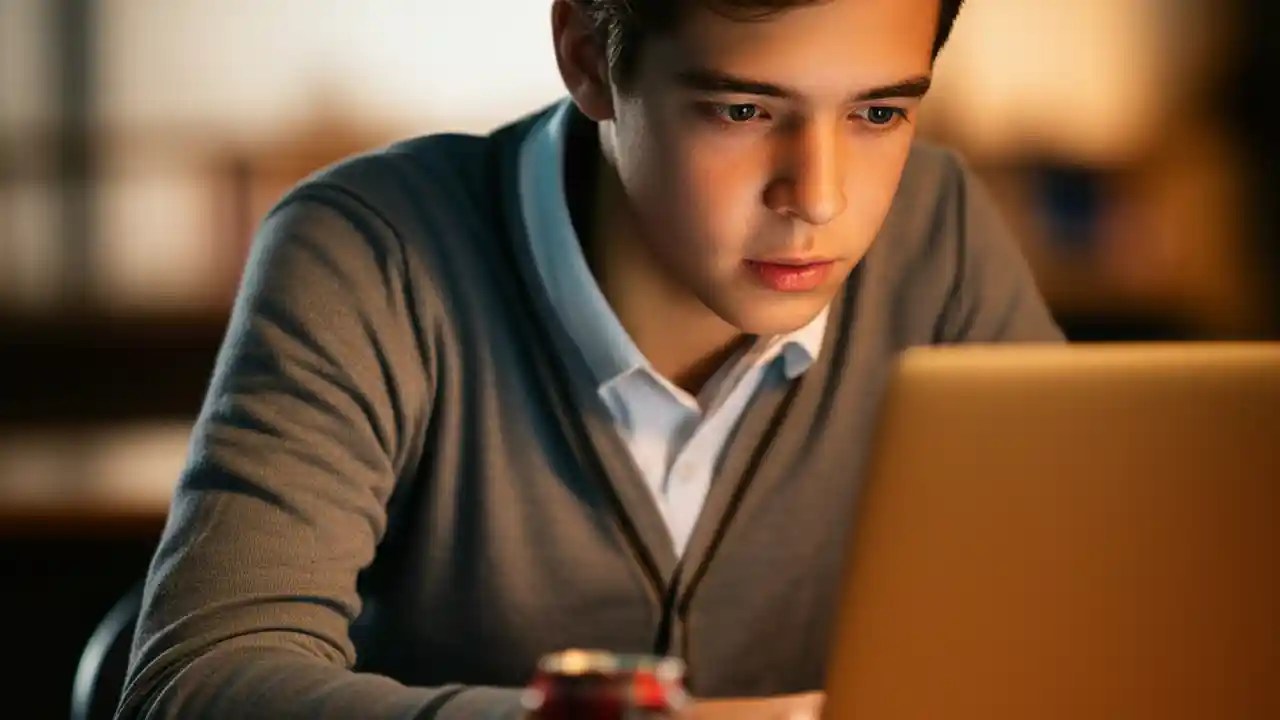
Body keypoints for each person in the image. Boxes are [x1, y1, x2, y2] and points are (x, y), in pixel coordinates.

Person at [116, 0, 1064, 718]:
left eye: (877, 115)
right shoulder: (373, 252)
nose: (818, 198)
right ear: (587, 59)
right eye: (741, 109)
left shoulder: (941, 237)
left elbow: (1087, 615)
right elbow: (198, 685)